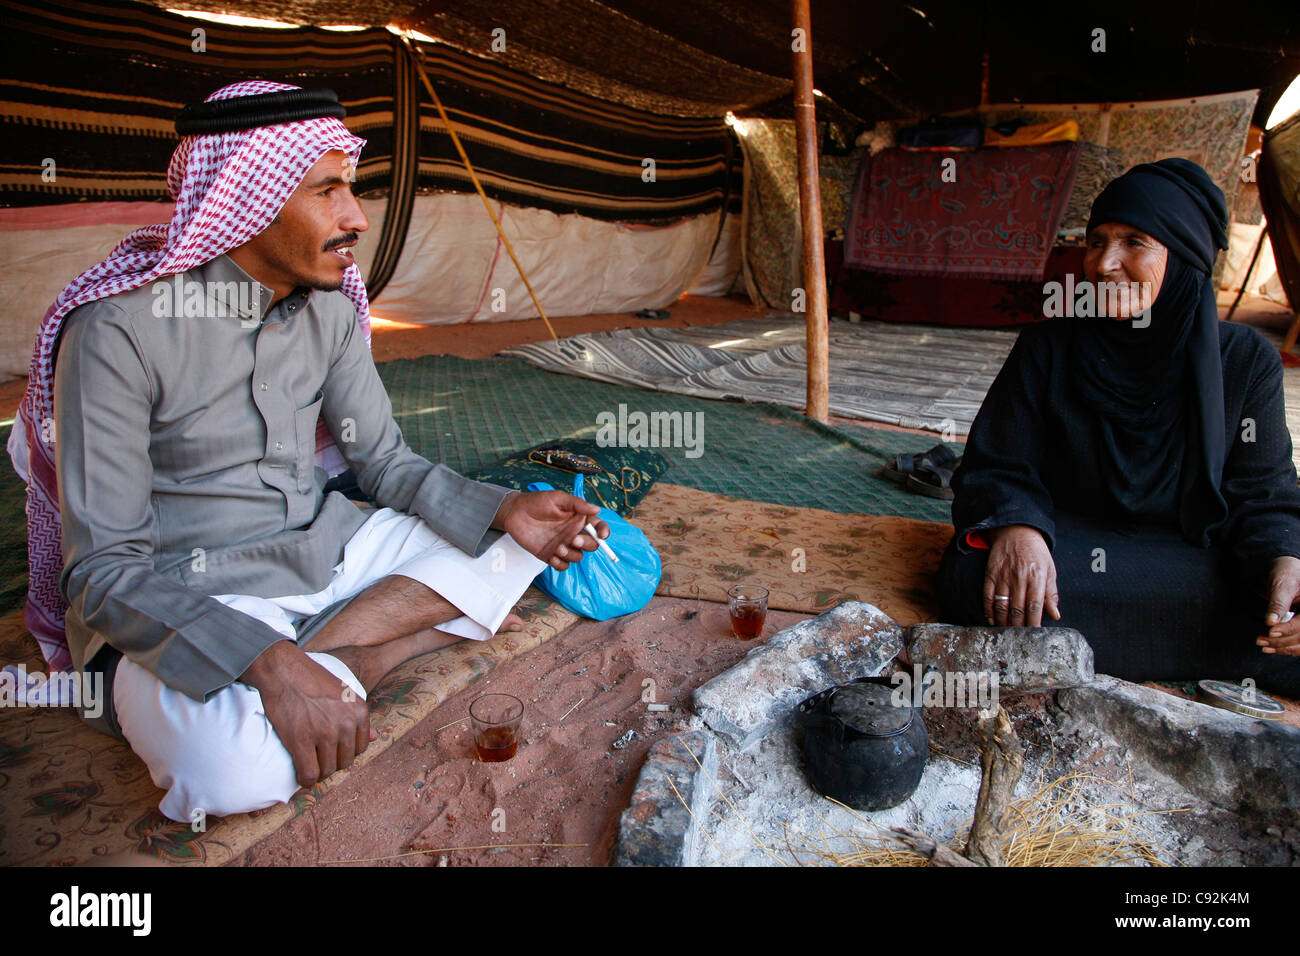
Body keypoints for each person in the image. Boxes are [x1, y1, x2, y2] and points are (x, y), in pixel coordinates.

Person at [8, 81, 609, 823]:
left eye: (349, 190)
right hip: (189, 591)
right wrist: (263, 657)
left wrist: (507, 506)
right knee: (228, 773)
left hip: (324, 553)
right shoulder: (117, 334)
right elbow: (101, 572)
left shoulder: (327, 309)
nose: (356, 218)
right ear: (245, 199)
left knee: (523, 547)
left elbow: (383, 462)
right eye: (327, 192)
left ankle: (352, 659)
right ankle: (368, 646)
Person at [936, 158, 1300, 697]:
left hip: (1191, 558)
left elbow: (1264, 491)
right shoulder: (1049, 347)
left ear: (1184, 260)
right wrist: (1019, 528)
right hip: (1070, 549)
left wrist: (1286, 564)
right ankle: (1230, 653)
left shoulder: (1244, 361)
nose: (1105, 264)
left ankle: (1063, 648)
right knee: (974, 576)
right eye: (1096, 241)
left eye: (1135, 242)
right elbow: (995, 465)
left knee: (1281, 605)